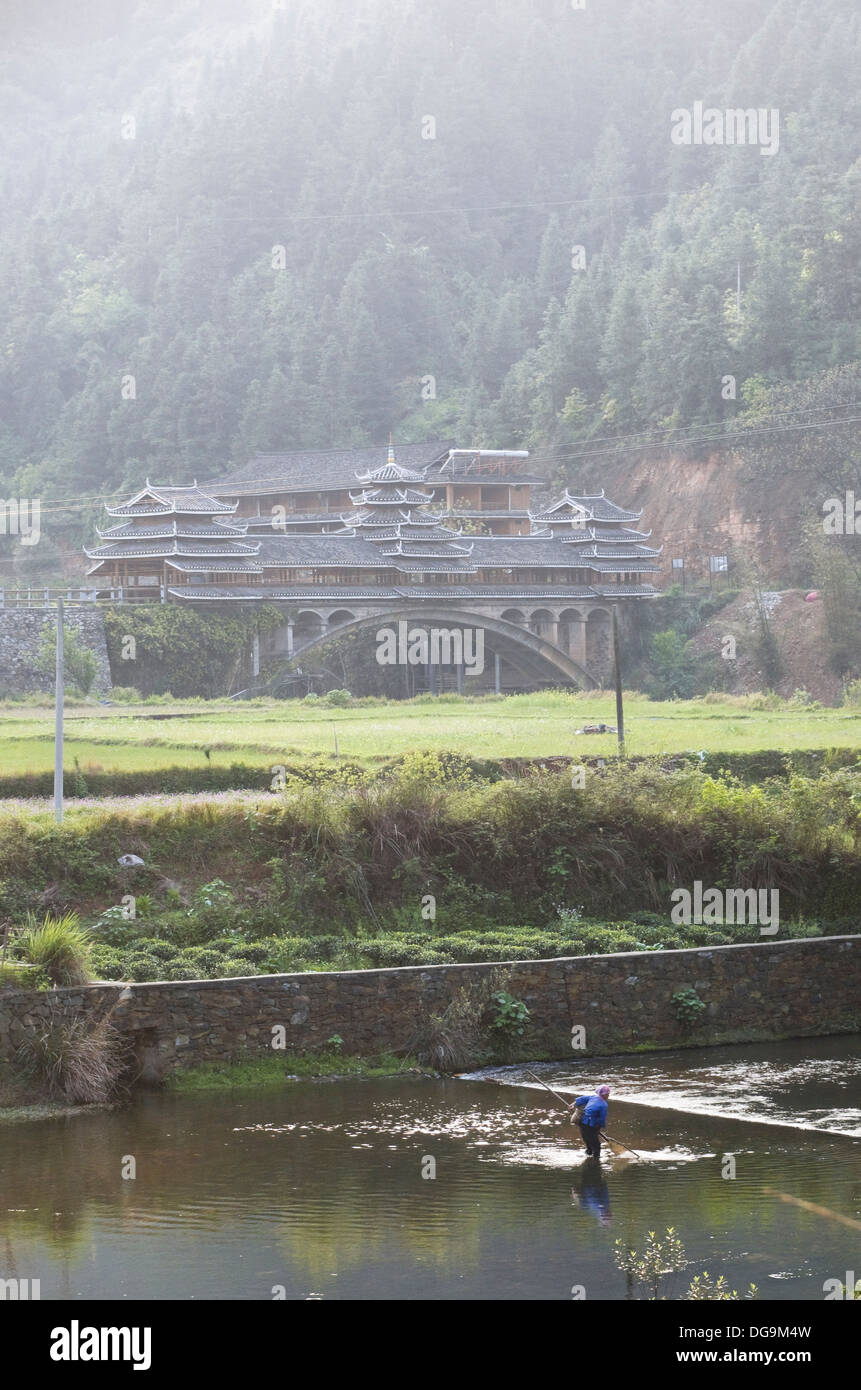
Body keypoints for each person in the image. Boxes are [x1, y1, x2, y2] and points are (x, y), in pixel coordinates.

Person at [574, 1084, 611, 1159]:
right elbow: (602, 1118)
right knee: (596, 1144)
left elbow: (581, 1099)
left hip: (583, 1123)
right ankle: (596, 1158)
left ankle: (589, 1152)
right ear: (604, 1095)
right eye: (607, 1094)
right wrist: (602, 1126)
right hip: (591, 1125)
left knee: (587, 1138)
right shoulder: (603, 1105)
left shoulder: (593, 1097)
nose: (608, 1095)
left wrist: (574, 1104)